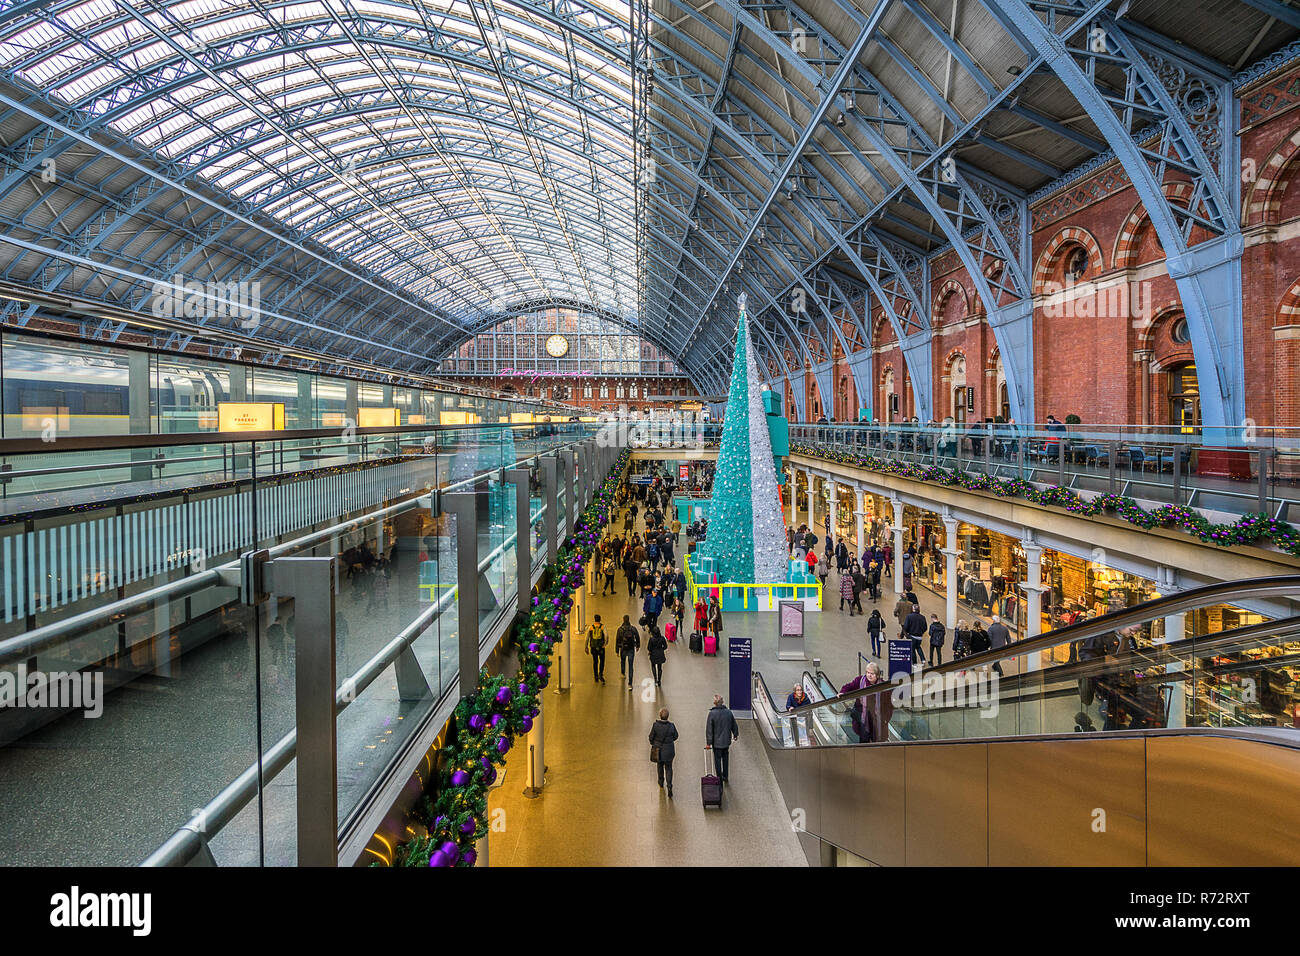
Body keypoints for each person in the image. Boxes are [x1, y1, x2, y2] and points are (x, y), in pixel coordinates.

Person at [705, 694, 739, 783]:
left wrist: (709, 743)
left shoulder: (712, 714)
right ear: (722, 702)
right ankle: (725, 776)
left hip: (716, 743)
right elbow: (733, 724)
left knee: (717, 760)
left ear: (714, 703)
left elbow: (709, 730)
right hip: (726, 741)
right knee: (725, 758)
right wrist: (735, 734)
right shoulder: (728, 712)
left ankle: (719, 777)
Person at [649, 708, 678, 798]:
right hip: (669, 751)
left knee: (660, 766)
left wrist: (654, 743)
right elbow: (676, 736)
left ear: (660, 715)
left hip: (659, 750)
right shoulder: (671, 726)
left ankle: (661, 782)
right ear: (667, 716)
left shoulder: (655, 725)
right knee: (669, 768)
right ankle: (669, 786)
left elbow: (651, 737)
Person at [615, 614, 640, 688]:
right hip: (631, 648)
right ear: (629, 620)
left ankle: (623, 673)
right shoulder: (633, 628)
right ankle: (630, 684)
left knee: (622, 661)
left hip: (623, 648)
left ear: (623, 620)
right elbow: (637, 637)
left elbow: (617, 640)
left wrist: (617, 650)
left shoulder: (620, 629)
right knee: (630, 666)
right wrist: (638, 646)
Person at [585, 614, 607, 683]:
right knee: (602, 661)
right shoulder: (603, 627)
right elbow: (606, 636)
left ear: (594, 619)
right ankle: (601, 674)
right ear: (600, 619)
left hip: (593, 647)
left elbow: (587, 638)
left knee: (595, 662)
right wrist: (605, 644)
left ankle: (596, 676)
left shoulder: (591, 627)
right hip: (601, 647)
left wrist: (586, 647)